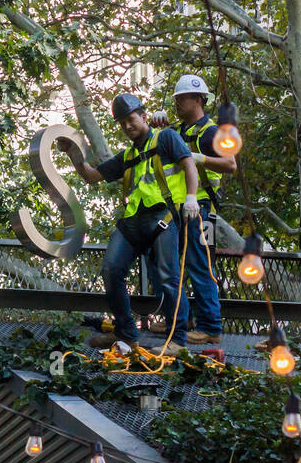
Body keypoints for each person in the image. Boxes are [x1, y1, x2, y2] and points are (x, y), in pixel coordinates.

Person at [59, 94, 201, 351]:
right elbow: (91, 176)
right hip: (132, 222)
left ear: (143, 117)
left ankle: (177, 341)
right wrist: (73, 154)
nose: (127, 126)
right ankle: (125, 333)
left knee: (169, 277)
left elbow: (189, 165)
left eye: (131, 119)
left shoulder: (166, 138)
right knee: (112, 270)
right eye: (122, 123)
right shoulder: (126, 156)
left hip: (163, 217)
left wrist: (191, 197)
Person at [170, 73, 236, 345]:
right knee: (178, 264)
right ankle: (182, 321)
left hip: (203, 209)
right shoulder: (180, 131)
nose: (177, 103)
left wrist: (200, 158)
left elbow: (230, 164)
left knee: (199, 262)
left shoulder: (211, 133)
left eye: (181, 98)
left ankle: (210, 326)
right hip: (182, 206)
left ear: (197, 99)